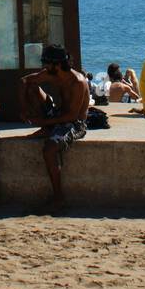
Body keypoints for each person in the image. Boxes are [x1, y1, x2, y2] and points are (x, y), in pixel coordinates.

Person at [19, 45, 90, 210]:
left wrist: (42, 122)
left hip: (74, 123)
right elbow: (24, 81)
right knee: (32, 87)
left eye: (46, 63)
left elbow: (72, 116)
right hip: (58, 115)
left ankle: (58, 197)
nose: (43, 67)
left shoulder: (77, 82)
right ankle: (47, 129)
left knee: (50, 149)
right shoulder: (51, 75)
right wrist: (24, 110)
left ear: (57, 65)